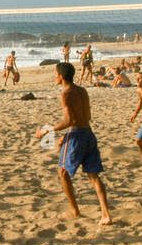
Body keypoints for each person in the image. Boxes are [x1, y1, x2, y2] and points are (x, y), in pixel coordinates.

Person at [36, 62, 112, 224]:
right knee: (93, 176)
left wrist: (47, 130)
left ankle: (75, 210)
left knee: (62, 173)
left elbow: (69, 120)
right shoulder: (82, 91)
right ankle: (105, 214)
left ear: (61, 77)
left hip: (77, 135)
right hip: (88, 133)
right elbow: (87, 116)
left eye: (56, 74)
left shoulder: (66, 94)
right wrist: (69, 133)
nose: (55, 77)